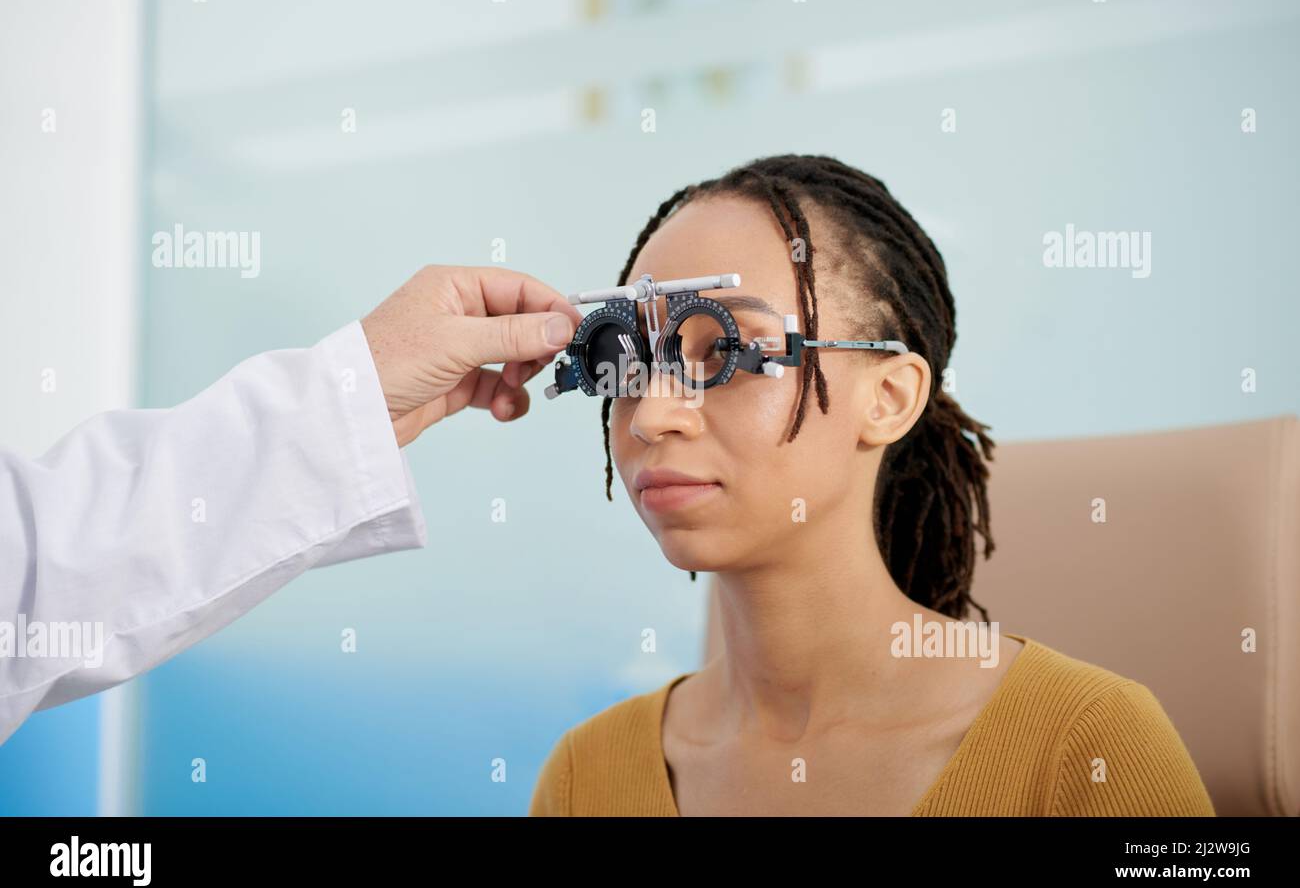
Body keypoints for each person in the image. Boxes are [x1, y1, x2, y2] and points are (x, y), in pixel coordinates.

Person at [528, 154, 1215, 816]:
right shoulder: (587, 775)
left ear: (888, 397)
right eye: (622, 360)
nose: (650, 416)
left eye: (725, 350)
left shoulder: (1088, 746)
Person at [0, 263, 581, 745]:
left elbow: (45, 570)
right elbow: (46, 575)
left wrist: (356, 401)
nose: (654, 418)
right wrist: (350, 400)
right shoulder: (586, 769)